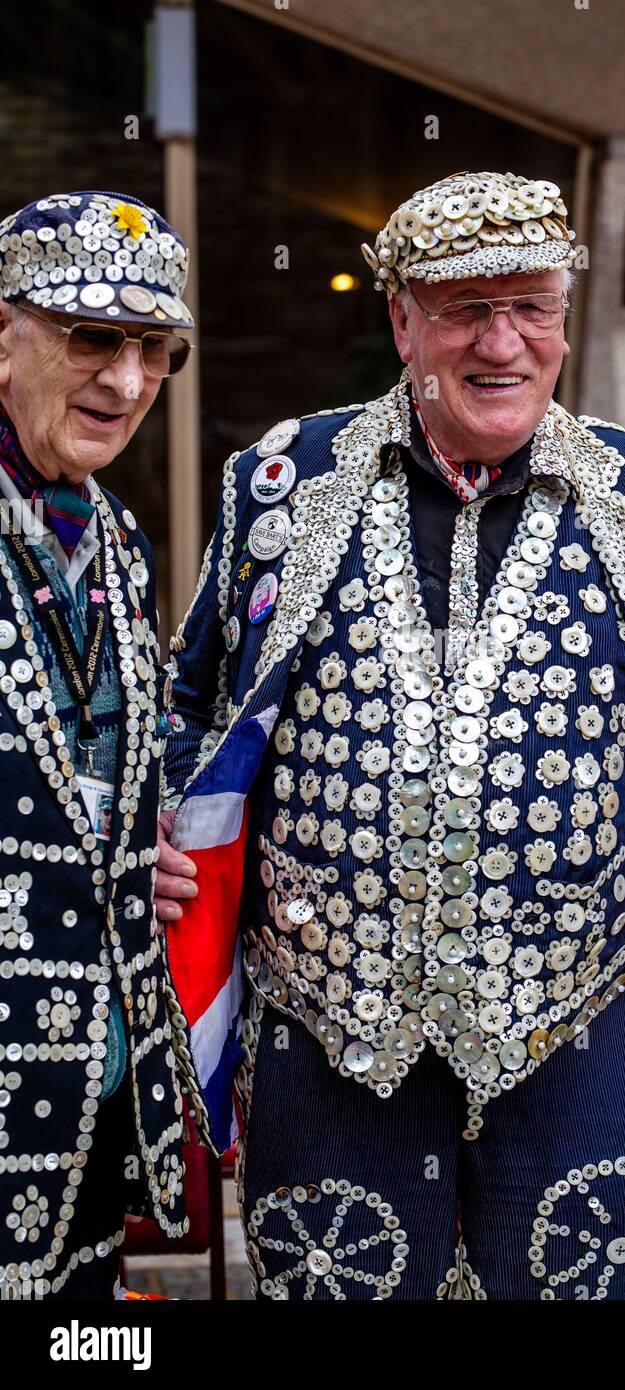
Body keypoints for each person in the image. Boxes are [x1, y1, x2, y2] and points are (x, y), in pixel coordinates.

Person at [158, 171, 625, 1301]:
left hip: (575, 1030)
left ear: (566, 319)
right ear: (400, 320)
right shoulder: (281, 482)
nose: (502, 341)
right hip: (333, 1037)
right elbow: (193, 706)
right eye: (463, 307)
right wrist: (154, 831)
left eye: (531, 305)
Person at [0, 191, 194, 1299]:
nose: (124, 382)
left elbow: (120, 751)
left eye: (151, 348)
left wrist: (144, 836)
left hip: (95, 1093)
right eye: (89, 339)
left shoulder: (113, 533)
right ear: (4, 332)